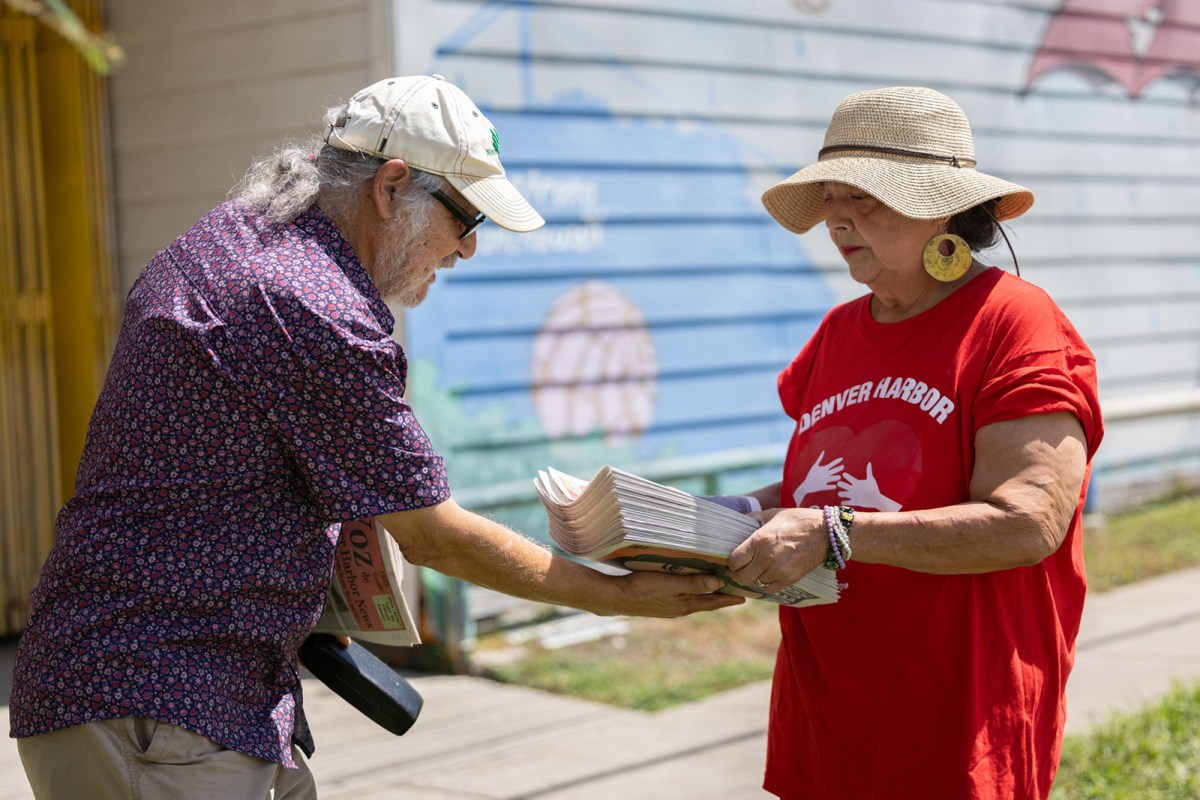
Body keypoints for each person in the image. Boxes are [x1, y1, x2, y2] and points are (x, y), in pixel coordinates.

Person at [9, 74, 743, 800]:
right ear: (390, 187)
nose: (466, 252)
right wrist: (617, 596)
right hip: (159, 708)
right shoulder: (313, 305)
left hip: (172, 693)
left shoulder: (243, 236)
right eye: (468, 221)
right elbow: (433, 535)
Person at [725, 86, 1103, 799]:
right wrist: (733, 513)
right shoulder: (838, 332)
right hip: (828, 712)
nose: (837, 217)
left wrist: (835, 534)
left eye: (864, 196)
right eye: (831, 196)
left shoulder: (1016, 323)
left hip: (958, 724)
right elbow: (827, 489)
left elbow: (1028, 521)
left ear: (944, 205)